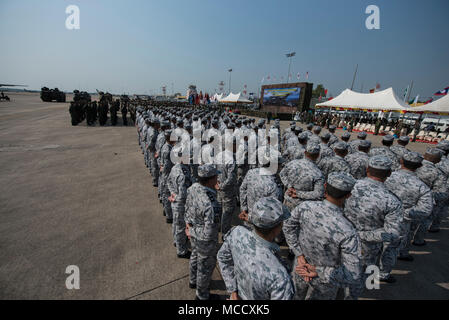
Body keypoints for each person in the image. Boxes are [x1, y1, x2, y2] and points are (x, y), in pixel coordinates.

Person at [283, 172, 361, 300]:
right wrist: (318, 271)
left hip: (300, 267)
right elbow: (353, 273)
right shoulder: (348, 230)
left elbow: (287, 226)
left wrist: (299, 254)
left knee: (295, 296)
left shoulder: (305, 207)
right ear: (348, 195)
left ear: (325, 186)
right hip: (326, 279)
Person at [343, 155, 403, 299]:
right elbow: (392, 233)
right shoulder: (391, 200)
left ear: (367, 169)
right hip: (367, 248)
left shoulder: (348, 185)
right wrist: (362, 235)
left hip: (340, 239)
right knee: (359, 278)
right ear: (389, 174)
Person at [217, 197, 294, 300]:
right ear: (277, 229)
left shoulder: (237, 233)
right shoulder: (280, 278)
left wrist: (233, 291)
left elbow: (222, 257)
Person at [382, 152, 433, 274]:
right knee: (391, 249)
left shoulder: (385, 176)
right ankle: (383, 274)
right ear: (419, 166)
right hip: (401, 223)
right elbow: (425, 210)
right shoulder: (422, 187)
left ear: (401, 161)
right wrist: (403, 214)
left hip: (380, 218)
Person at [185, 164, 222, 300]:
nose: (217, 179)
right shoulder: (212, 204)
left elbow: (187, 206)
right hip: (204, 239)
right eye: (216, 177)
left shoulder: (193, 187)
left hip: (193, 231)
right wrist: (210, 246)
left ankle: (193, 280)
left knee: (194, 256)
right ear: (211, 179)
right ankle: (202, 296)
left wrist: (188, 226)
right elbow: (211, 229)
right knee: (205, 267)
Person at [415, 148, 448, 241]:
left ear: (424, 156)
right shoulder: (438, 173)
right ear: (438, 160)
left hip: (408, 199)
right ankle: (418, 240)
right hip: (427, 200)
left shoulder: (414, 165)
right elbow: (442, 194)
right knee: (426, 220)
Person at [279, 144, 325, 211]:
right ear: (318, 155)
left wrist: (289, 186)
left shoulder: (292, 163)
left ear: (305, 152)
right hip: (303, 206)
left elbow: (282, 174)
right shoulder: (318, 173)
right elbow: (319, 194)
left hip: (288, 200)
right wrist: (297, 193)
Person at [168, 150, 193, 259]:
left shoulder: (175, 168)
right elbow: (183, 194)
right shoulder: (182, 174)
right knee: (180, 227)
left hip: (175, 202)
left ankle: (176, 241)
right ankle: (181, 250)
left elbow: (168, 182)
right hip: (181, 204)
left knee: (176, 224)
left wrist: (173, 194)